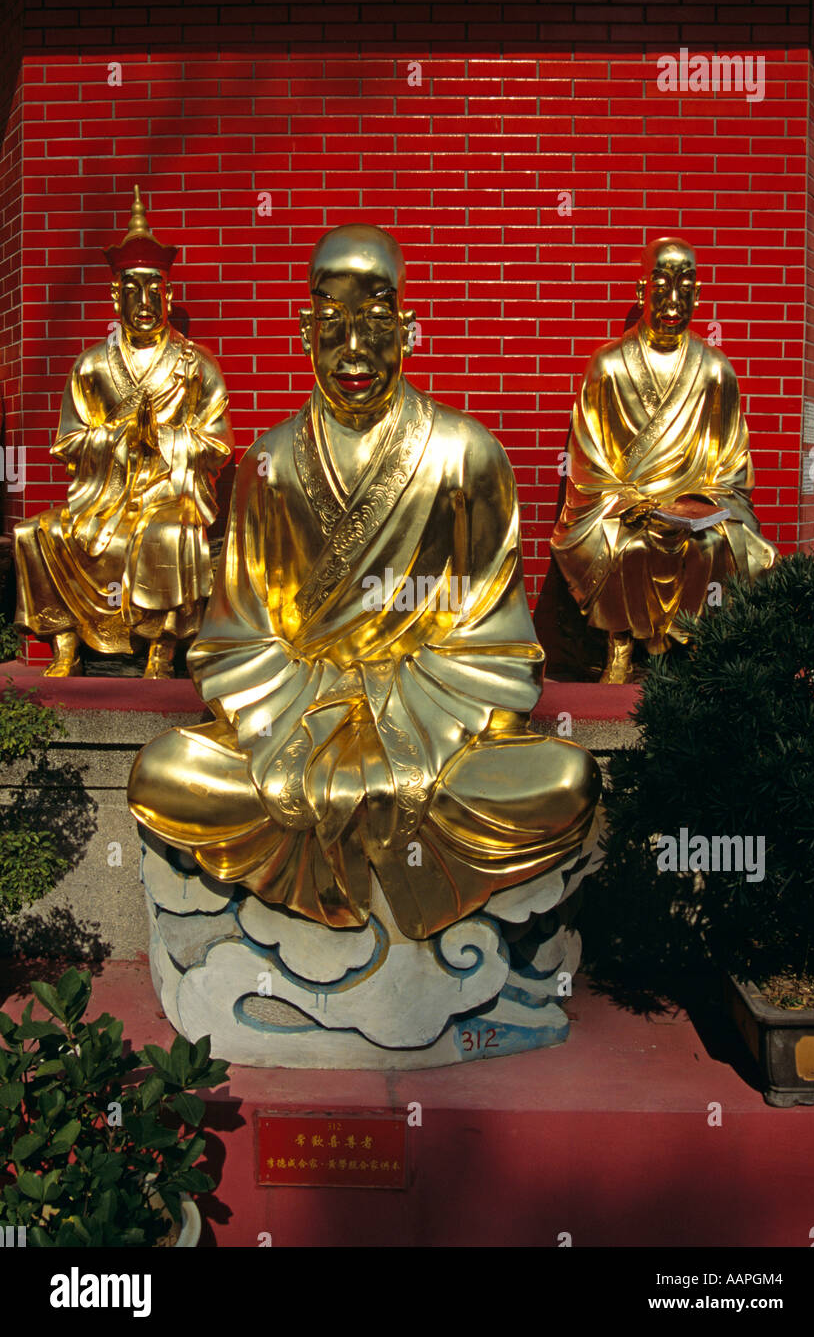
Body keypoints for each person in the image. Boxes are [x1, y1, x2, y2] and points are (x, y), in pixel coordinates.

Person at [128, 223, 601, 940]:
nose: (354, 350)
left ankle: (376, 858)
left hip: (436, 723)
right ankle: (353, 865)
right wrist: (319, 719)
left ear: (408, 329)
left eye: (376, 321)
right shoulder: (267, 465)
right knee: (164, 773)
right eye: (331, 322)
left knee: (565, 782)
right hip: (292, 715)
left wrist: (398, 724)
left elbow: (495, 642)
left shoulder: (466, 456)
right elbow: (232, 642)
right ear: (303, 330)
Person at [14, 187, 233, 678]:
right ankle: (66, 642)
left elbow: (218, 442)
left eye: (153, 290)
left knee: (168, 534)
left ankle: (160, 649)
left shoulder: (195, 366)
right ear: (115, 295)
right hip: (105, 496)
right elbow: (68, 442)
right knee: (40, 531)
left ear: (169, 293)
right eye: (131, 290)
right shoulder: (92, 366)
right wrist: (116, 439)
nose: (144, 303)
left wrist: (162, 441)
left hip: (165, 491)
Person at [549, 236, 778, 683]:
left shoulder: (715, 371)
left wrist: (695, 505)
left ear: (698, 294)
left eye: (685, 287)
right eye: (661, 286)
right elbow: (589, 461)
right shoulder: (608, 366)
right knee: (628, 544)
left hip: (694, 506)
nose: (673, 302)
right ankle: (619, 644)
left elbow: (731, 466)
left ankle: (692, 643)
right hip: (623, 504)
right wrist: (632, 501)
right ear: (641, 292)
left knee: (711, 543)